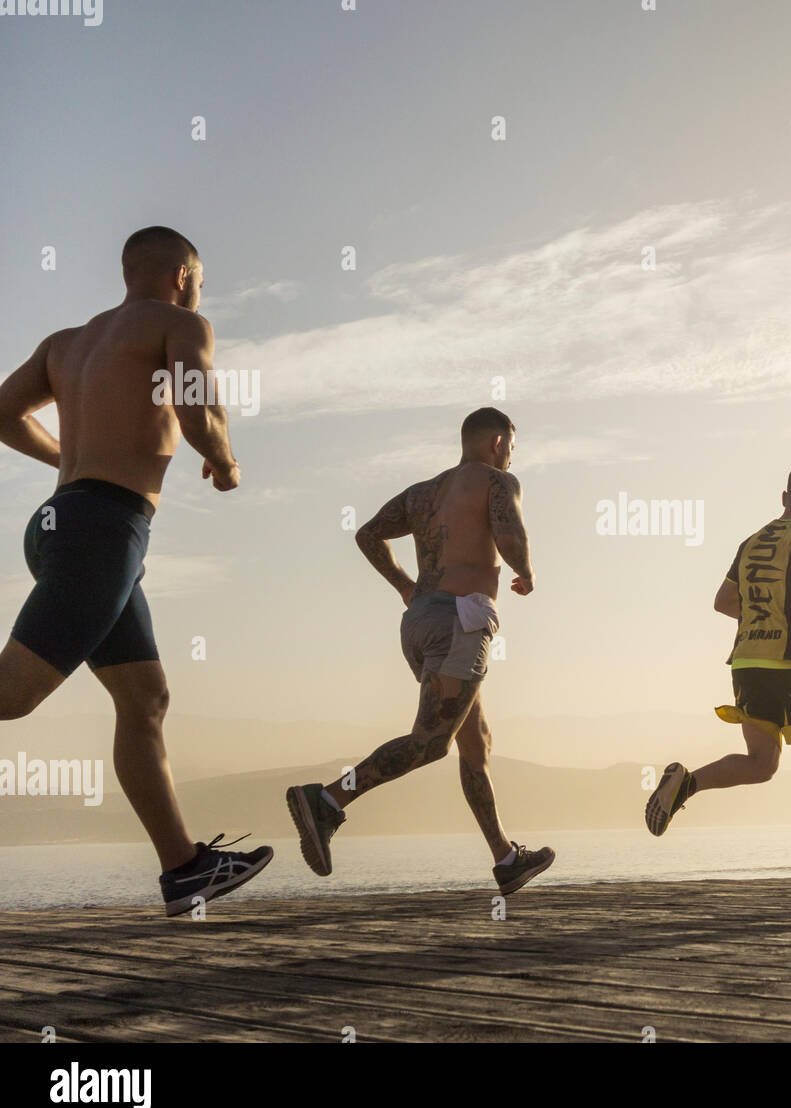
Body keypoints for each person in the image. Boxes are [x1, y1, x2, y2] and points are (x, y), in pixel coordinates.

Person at [0, 226, 272, 916]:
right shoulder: (182, 323)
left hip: (65, 521)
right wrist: (227, 458)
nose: (201, 293)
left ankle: (184, 869)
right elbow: (194, 404)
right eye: (201, 281)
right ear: (183, 274)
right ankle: (183, 867)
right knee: (11, 694)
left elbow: (1, 414)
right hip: (102, 531)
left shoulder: (66, 343)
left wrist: (73, 461)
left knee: (145, 700)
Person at [287, 408, 555, 895]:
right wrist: (528, 573)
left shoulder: (423, 493)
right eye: (513, 446)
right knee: (432, 742)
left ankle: (506, 858)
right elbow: (510, 532)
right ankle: (326, 800)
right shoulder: (498, 480)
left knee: (476, 741)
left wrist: (406, 587)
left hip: (421, 621)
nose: (513, 456)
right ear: (497, 442)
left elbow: (367, 534)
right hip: (461, 620)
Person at [644, 464, 791, 886]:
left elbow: (723, 601)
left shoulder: (752, 542)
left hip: (748, 661)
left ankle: (687, 783)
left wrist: (761, 616)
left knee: (761, 762)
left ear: (783, 498)